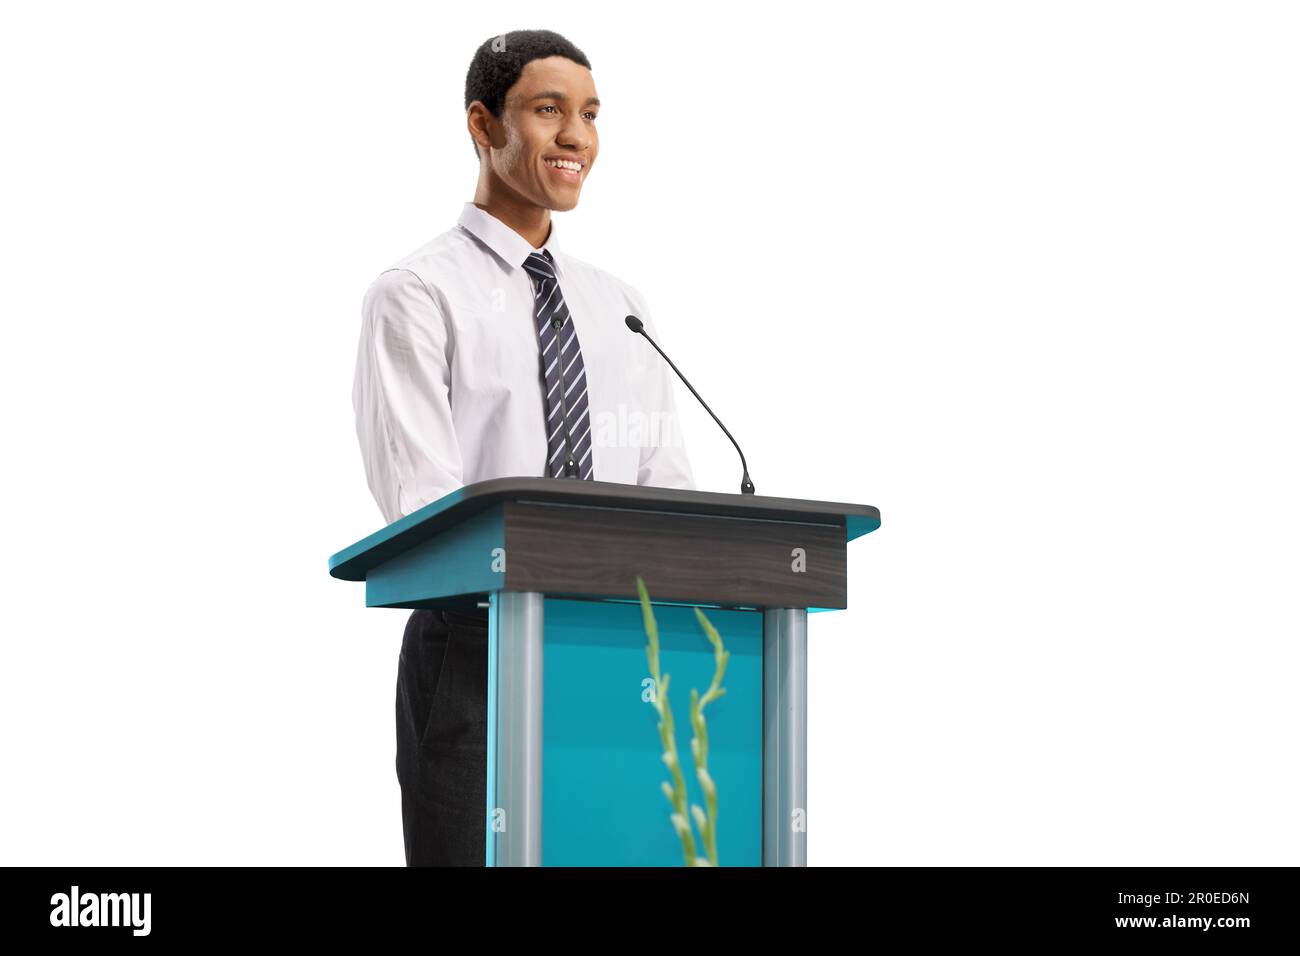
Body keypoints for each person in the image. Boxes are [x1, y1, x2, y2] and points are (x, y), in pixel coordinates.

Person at [350, 29, 696, 866]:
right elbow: (423, 510)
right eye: (548, 111)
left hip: (613, 650)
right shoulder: (418, 295)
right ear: (483, 123)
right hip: (477, 650)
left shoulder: (621, 307)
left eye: (589, 114)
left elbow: (671, 492)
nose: (577, 136)